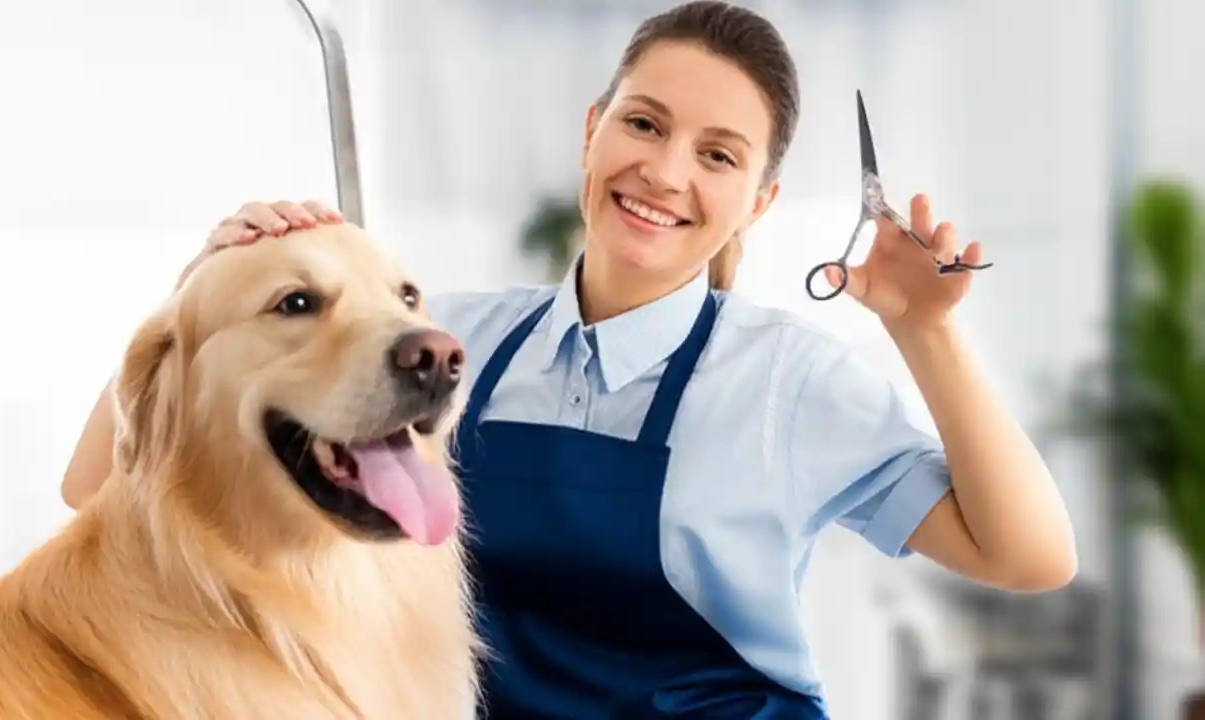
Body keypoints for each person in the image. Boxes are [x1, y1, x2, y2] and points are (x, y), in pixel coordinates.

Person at [60, 2, 1077, 717]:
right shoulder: (448, 344)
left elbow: (1027, 557)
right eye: (642, 123)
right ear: (592, 135)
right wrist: (203, 285)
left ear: (757, 202)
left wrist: (925, 330)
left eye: (718, 154)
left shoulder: (788, 383)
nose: (664, 171)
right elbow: (98, 485)